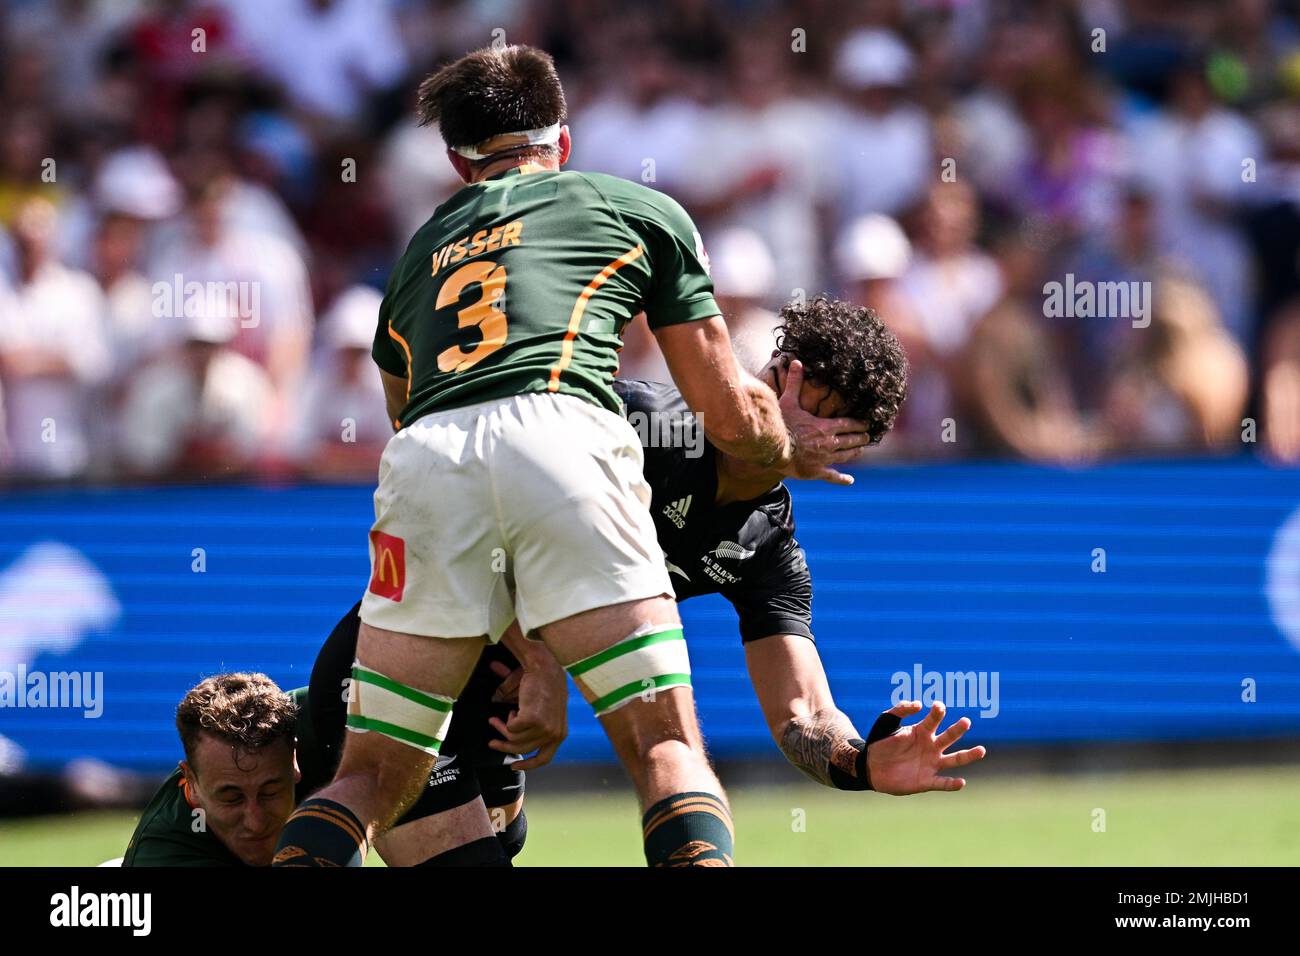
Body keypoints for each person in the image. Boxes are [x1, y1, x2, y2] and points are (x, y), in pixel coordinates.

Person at [272, 45, 868, 869]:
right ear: (565, 138)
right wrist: (783, 450)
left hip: (424, 454)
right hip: (563, 431)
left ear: (455, 161)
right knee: (663, 743)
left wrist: (530, 645)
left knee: (368, 773)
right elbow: (728, 417)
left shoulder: (418, 255)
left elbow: (407, 416)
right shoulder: (637, 209)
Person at [297, 298, 986, 866]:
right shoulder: (627, 426)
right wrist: (539, 657)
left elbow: (803, 714)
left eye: (846, 432)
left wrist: (861, 763)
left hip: (497, 724)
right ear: (778, 375)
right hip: (397, 675)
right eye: (814, 404)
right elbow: (478, 532)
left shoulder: (769, 544)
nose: (821, 434)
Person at [123, 674, 301, 867]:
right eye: (232, 798)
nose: (255, 823)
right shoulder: (163, 854)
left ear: (294, 759)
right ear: (192, 783)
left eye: (270, 792)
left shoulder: (316, 719)